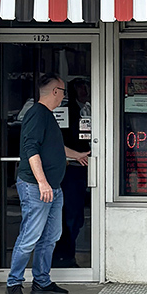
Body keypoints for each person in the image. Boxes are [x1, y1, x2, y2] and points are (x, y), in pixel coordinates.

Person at [6, 73, 89, 294]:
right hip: (36, 187)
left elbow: (56, 147)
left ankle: (41, 281)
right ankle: (14, 282)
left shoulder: (48, 116)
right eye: (62, 91)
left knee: (51, 236)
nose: (64, 96)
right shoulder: (37, 114)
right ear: (55, 92)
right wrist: (42, 182)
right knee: (30, 235)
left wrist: (77, 155)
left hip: (53, 187)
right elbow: (31, 150)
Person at [53, 78, 91, 266]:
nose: (85, 91)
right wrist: (71, 156)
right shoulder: (66, 111)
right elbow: (60, 140)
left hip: (86, 168)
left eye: (86, 87)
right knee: (70, 215)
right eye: (80, 88)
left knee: (77, 216)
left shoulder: (93, 107)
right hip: (71, 169)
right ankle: (64, 256)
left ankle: (67, 253)